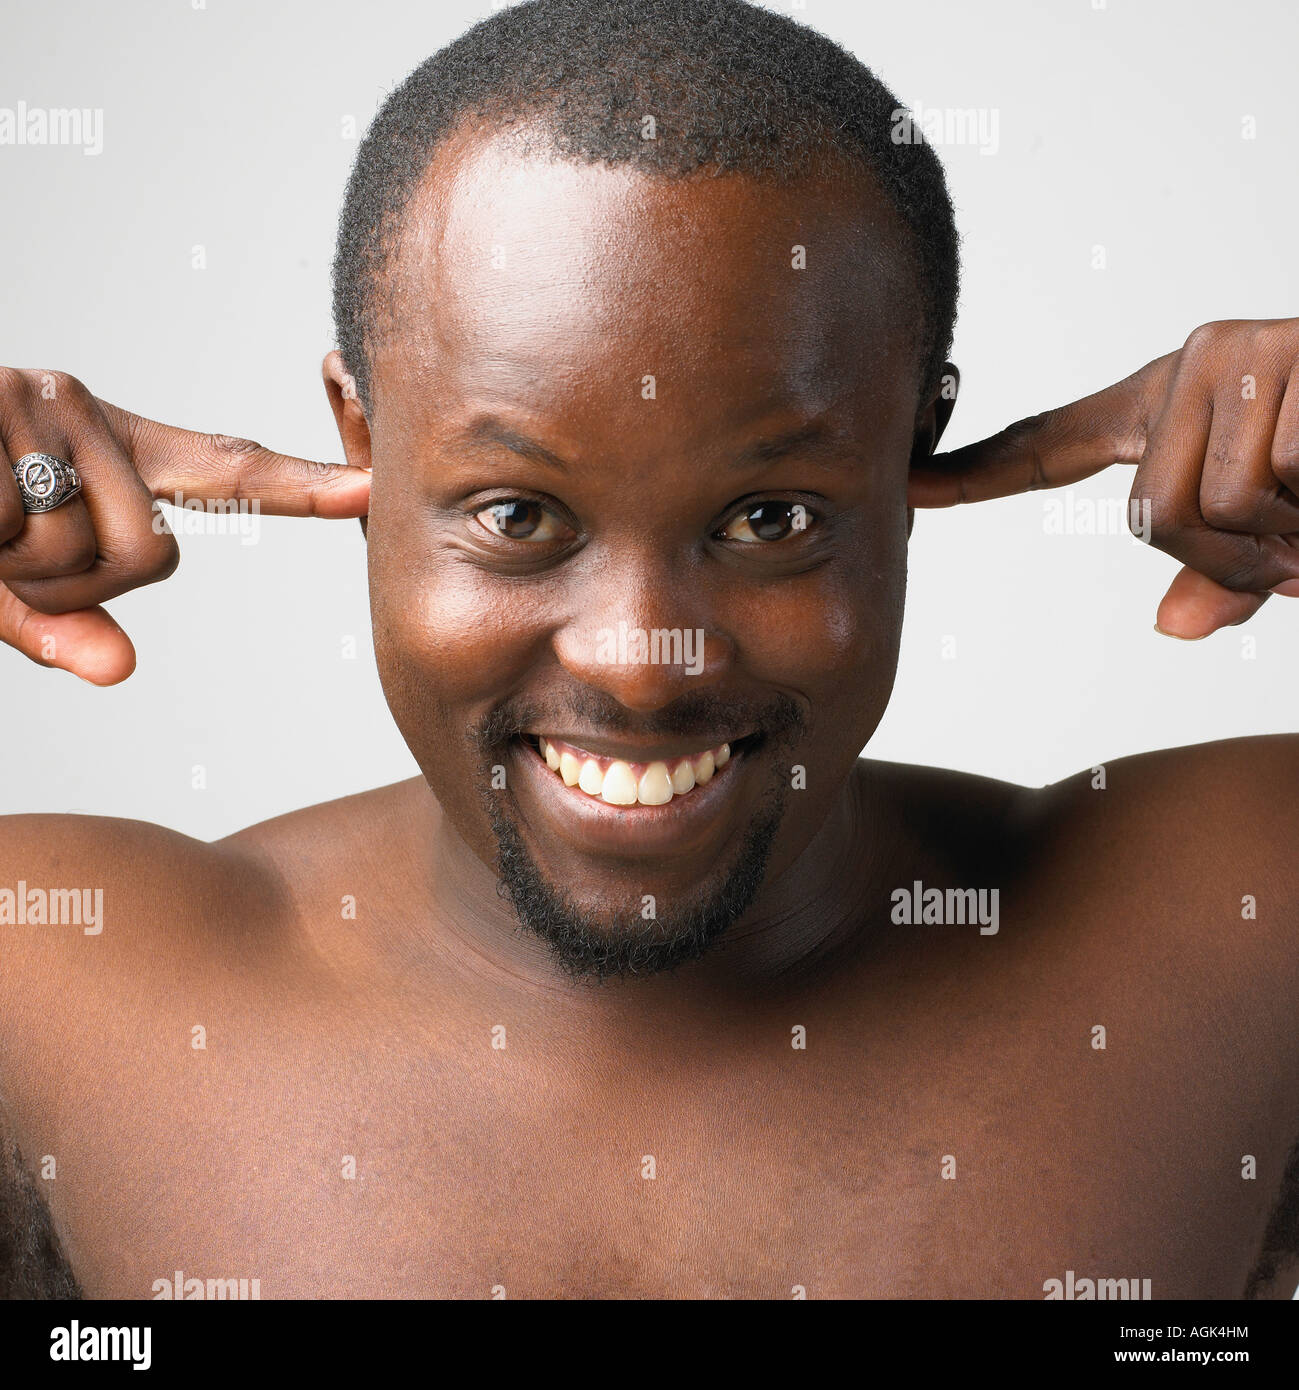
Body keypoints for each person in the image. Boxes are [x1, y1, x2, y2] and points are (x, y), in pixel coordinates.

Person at [2, 0, 1297, 1300]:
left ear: (913, 447)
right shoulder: (65, 982)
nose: (638, 659)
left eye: (768, 518)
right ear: (362, 438)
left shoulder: (1231, 921)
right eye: (519, 515)